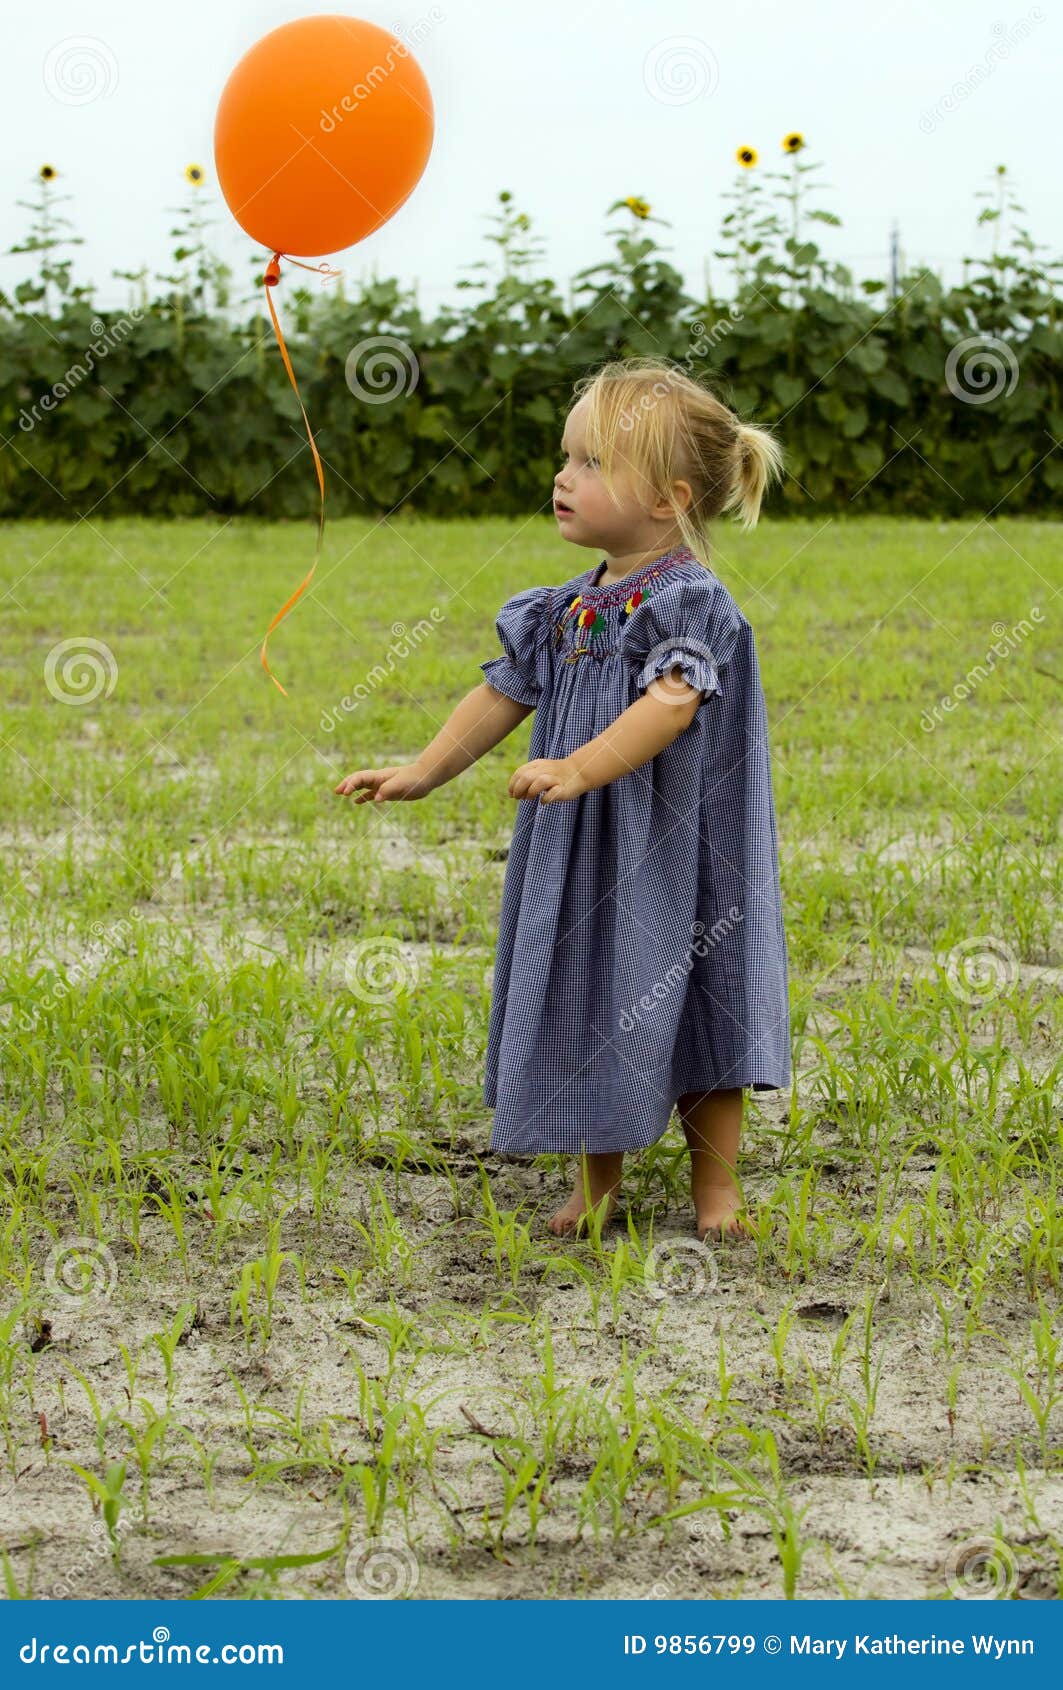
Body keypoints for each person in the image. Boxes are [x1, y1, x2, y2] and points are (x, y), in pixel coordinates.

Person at [334, 355, 792, 1242]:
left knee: (701, 990)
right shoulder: (562, 609)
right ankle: (596, 1188)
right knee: (593, 992)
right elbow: (503, 694)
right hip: (590, 847)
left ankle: (717, 1195)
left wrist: (581, 766)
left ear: (667, 498)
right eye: (565, 456)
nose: (563, 476)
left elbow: (671, 701)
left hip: (681, 842)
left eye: (590, 462)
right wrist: (423, 770)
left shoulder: (688, 600)